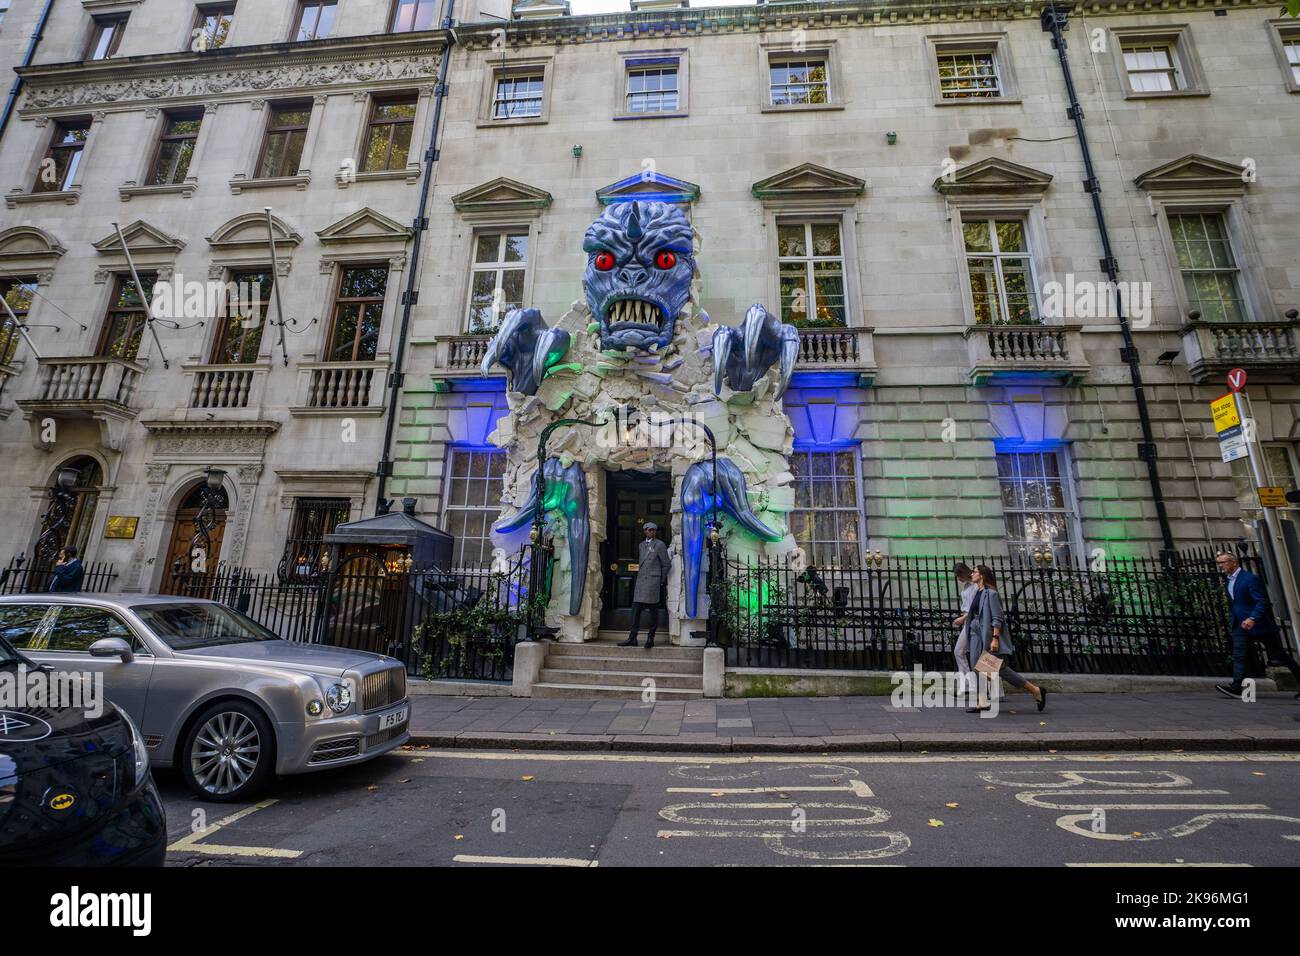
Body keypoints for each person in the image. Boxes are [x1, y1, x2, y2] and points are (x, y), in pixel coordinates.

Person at [1214, 550, 1300, 700]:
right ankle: (1236, 687)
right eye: (1219, 563)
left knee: (1280, 655)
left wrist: (1252, 618)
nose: (1220, 566)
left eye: (1223, 562)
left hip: (1259, 625)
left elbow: (1262, 601)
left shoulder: (1250, 579)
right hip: (1240, 625)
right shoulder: (1229, 580)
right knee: (1239, 655)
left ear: (1234, 562)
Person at [965, 564, 1046, 713]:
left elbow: (997, 617)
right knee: (976, 666)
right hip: (975, 632)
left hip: (987, 634)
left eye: (974, 572)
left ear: (982, 575)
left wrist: (995, 638)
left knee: (998, 668)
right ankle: (982, 702)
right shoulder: (978, 591)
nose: (972, 574)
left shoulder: (991, 593)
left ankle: (1035, 690)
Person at [619, 521, 671, 649]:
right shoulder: (641, 545)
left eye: (653, 530)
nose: (651, 532)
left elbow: (666, 564)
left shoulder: (660, 545)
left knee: (653, 613)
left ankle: (650, 638)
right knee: (635, 611)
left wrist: (660, 580)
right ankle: (632, 638)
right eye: (649, 530)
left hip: (653, 583)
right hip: (641, 582)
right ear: (644, 531)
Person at [950, 562, 977, 694]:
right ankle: (968, 686)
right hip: (967, 621)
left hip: (973, 621)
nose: (957, 579)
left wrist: (963, 618)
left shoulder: (976, 586)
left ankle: (995, 690)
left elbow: (974, 607)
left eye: (958, 576)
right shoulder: (967, 586)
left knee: (982, 656)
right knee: (959, 651)